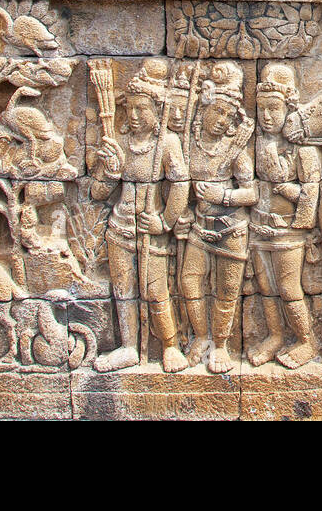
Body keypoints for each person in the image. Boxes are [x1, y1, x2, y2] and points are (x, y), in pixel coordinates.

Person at [89, 61, 190, 373]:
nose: (133, 117)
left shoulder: (167, 144)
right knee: (124, 292)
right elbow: (97, 193)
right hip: (120, 228)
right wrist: (110, 172)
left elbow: (180, 185)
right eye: (129, 109)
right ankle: (129, 347)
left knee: (156, 292)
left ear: (157, 110)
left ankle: (170, 345)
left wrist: (165, 221)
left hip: (151, 229)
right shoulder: (119, 143)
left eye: (141, 110)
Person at [179, 62, 255, 374]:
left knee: (226, 291)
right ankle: (200, 336)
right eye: (218, 112)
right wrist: (182, 211)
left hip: (231, 228)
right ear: (204, 110)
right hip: (199, 226)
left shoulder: (235, 149)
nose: (223, 122)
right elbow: (179, 186)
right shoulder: (188, 144)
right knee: (189, 283)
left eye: (229, 116)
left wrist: (222, 196)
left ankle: (221, 344)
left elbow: (251, 194)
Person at [248, 64, 322, 370]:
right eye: (262, 109)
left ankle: (307, 341)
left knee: (289, 289)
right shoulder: (257, 140)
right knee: (266, 288)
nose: (267, 116)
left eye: (274, 109)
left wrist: (284, 188)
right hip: (258, 224)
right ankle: (275, 335)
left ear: (288, 108)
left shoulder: (302, 147)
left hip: (288, 230)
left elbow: (311, 195)